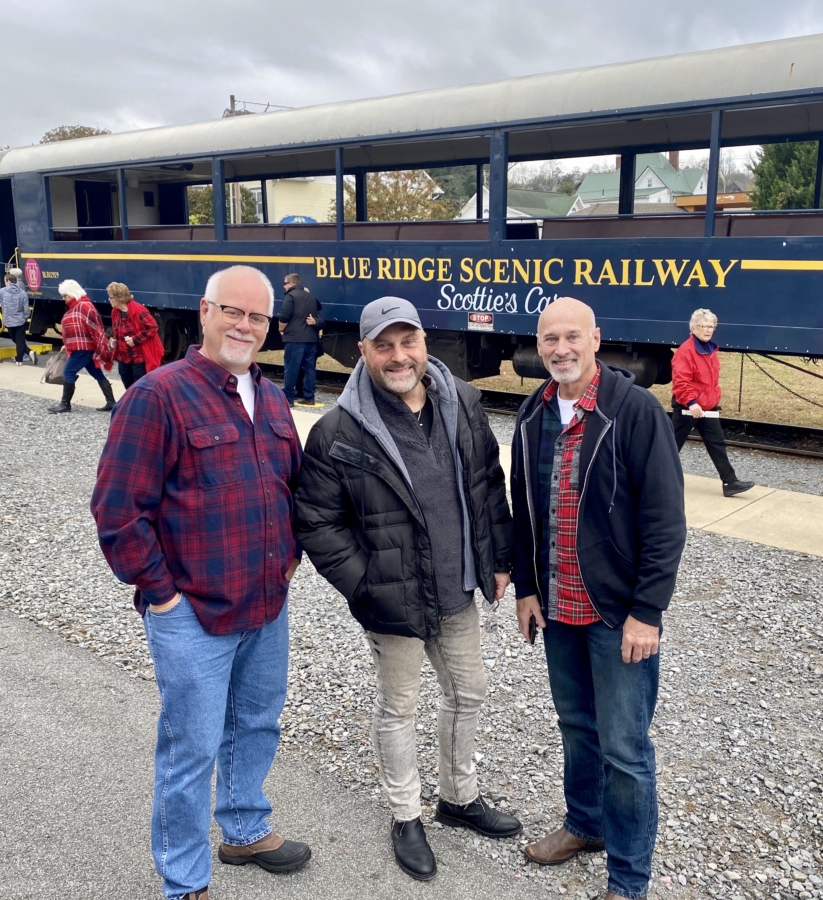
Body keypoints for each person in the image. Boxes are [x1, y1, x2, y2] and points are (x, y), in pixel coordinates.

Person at [92, 266, 310, 900]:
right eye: (233, 312)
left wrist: (290, 555)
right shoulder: (157, 396)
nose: (245, 325)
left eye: (258, 318)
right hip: (192, 613)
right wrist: (160, 593)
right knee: (191, 749)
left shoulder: (270, 397)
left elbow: (290, 486)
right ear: (206, 312)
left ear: (270, 326)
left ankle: (244, 829)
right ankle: (184, 881)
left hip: (266, 603)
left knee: (257, 722)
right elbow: (117, 508)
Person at [295, 296, 521, 882]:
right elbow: (317, 522)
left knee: (468, 692)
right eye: (384, 345)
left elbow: (487, 482)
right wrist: (365, 585)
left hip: (458, 587)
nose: (399, 357)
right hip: (392, 595)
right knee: (399, 708)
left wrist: (499, 556)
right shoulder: (338, 430)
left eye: (408, 342)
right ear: (363, 351)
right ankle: (406, 814)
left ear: (425, 344)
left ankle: (458, 797)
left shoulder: (463, 401)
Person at [510, 297, 686, 900]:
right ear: (539, 346)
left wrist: (647, 612)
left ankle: (629, 878)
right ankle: (585, 825)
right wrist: (527, 588)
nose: (560, 349)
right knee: (576, 726)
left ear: (596, 339)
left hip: (617, 614)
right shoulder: (532, 416)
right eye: (549, 339)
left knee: (626, 747)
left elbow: (665, 521)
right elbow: (524, 514)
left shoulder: (634, 412)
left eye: (572, 337)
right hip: (557, 607)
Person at [670, 308, 754, 497]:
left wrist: (711, 401)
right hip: (688, 407)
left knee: (716, 443)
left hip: (706, 408)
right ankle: (654, 481)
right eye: (704, 326)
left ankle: (730, 482)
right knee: (671, 446)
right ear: (693, 328)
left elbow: (709, 381)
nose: (708, 330)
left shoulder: (709, 350)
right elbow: (681, 381)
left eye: (711, 326)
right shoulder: (686, 352)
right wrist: (691, 403)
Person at [49, 280, 116, 413]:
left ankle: (65, 404)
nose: (64, 299)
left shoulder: (84, 306)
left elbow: (95, 328)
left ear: (72, 294)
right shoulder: (80, 306)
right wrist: (66, 344)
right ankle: (111, 401)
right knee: (97, 373)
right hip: (84, 347)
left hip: (83, 349)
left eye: (65, 295)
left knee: (68, 372)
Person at [277, 273, 324, 407]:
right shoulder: (311, 297)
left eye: (285, 283)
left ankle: (288, 398)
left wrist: (281, 329)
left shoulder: (290, 296)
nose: (284, 286)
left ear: (291, 283)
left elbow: (284, 316)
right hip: (311, 339)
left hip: (295, 339)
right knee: (309, 369)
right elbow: (318, 312)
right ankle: (309, 397)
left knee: (291, 368)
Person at [107, 281, 165, 388]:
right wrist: (114, 340)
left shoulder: (138, 310)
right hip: (123, 356)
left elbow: (152, 327)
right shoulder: (115, 311)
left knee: (140, 386)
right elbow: (118, 330)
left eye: (111, 298)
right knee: (127, 383)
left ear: (119, 298)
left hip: (138, 357)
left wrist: (135, 340)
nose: (109, 300)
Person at [0, 273, 34, 365]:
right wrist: (26, 317)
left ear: (8, 281)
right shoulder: (23, 293)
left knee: (16, 339)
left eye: (5, 281)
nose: (5, 283)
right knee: (20, 340)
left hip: (8, 320)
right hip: (20, 320)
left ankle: (22, 356)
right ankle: (22, 358)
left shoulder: (2, 291)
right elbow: (26, 308)